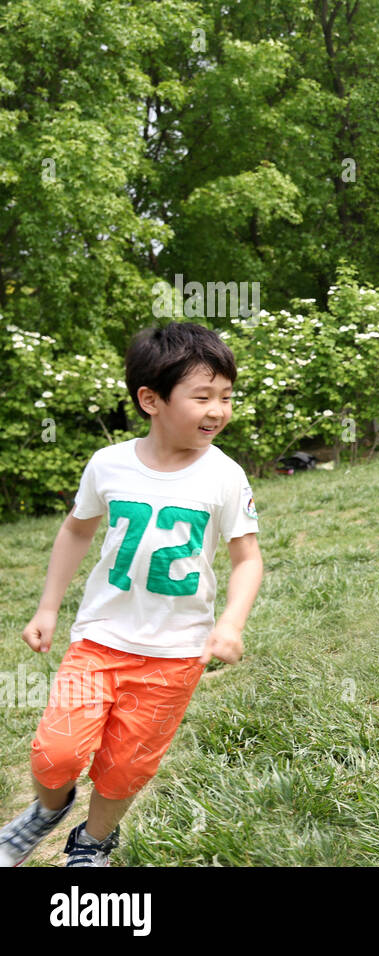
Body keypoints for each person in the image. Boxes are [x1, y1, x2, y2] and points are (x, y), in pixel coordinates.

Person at [0, 322, 262, 866]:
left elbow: (247, 559)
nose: (218, 410)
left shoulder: (225, 476)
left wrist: (231, 624)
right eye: (203, 397)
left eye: (226, 397)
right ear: (151, 400)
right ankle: (47, 810)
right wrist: (48, 607)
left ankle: (92, 842)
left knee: (125, 768)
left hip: (175, 654)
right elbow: (76, 530)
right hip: (99, 640)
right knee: (55, 753)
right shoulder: (109, 464)